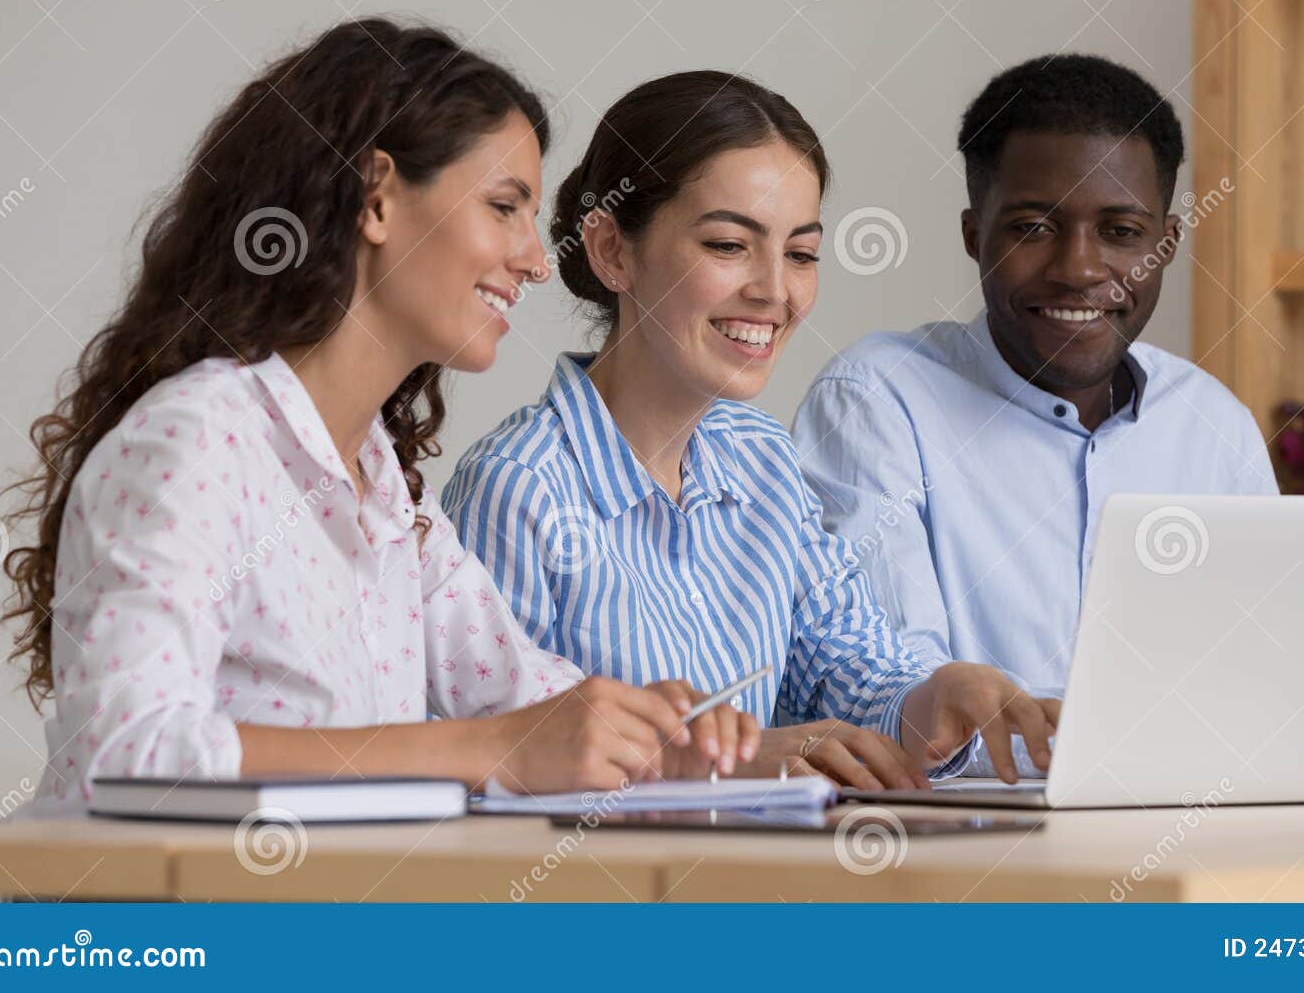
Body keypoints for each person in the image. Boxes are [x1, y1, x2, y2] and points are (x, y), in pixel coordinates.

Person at [0, 19, 748, 806]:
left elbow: (526, 702)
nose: (534, 259)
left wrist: (699, 745)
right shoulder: (197, 442)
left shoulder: (384, 491)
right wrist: (483, 748)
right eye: (503, 206)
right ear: (378, 196)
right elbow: (123, 755)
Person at [791, 52, 1304, 782]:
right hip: (963, 866)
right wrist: (1242, 736)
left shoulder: (1212, 425)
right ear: (974, 235)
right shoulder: (875, 403)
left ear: (1166, 243)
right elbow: (899, 708)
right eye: (1033, 227)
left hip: (1191, 850)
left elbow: (1260, 683)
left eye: (1121, 231)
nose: (1079, 267)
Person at [444, 70, 1058, 790]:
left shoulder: (760, 454)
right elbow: (501, 762)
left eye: (800, 253)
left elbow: (843, 664)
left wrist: (933, 699)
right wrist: (725, 764)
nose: (774, 290)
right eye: (730, 245)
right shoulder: (516, 488)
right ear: (612, 250)